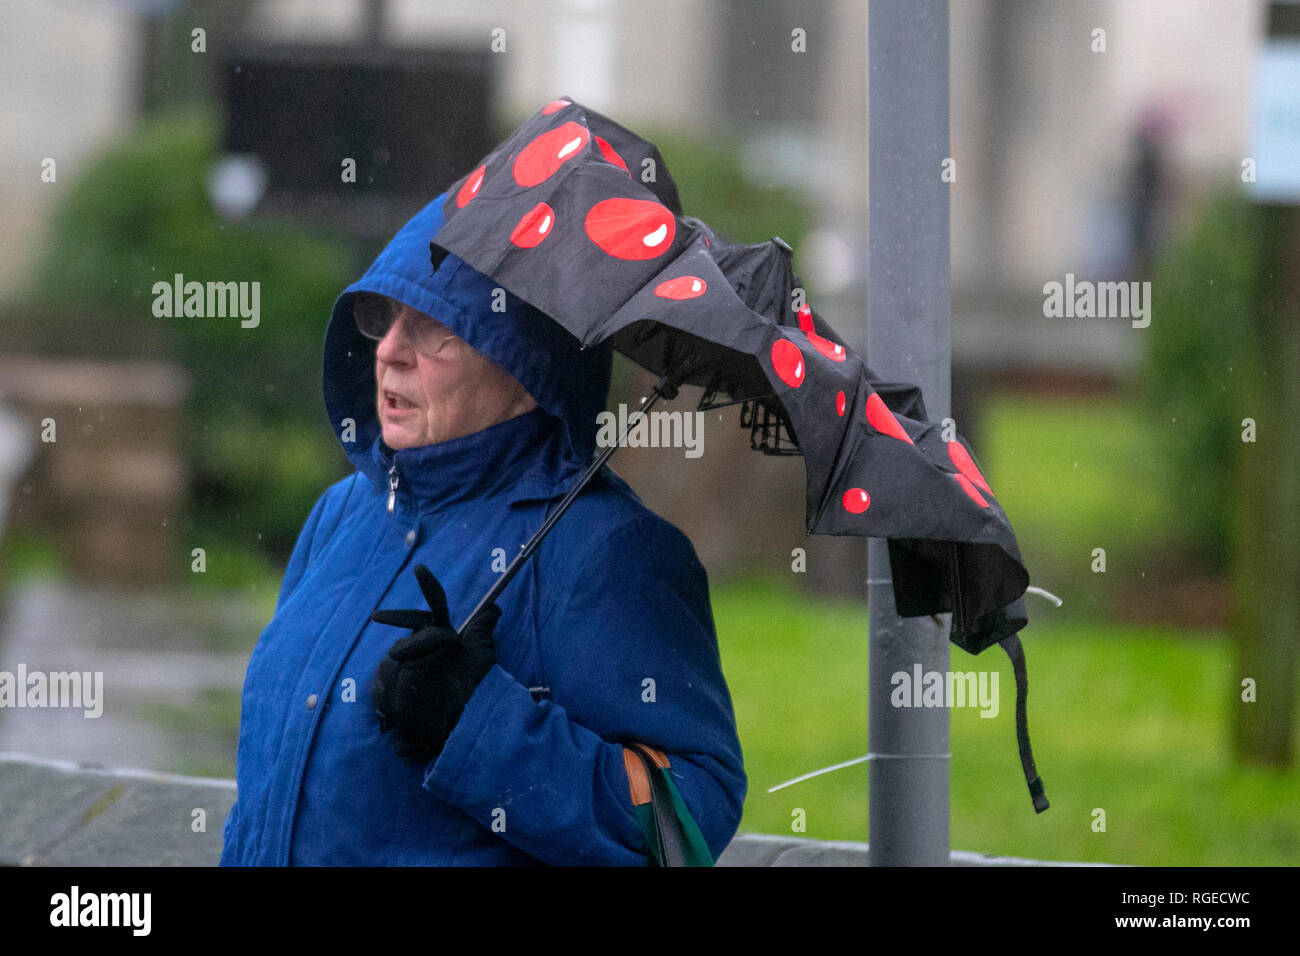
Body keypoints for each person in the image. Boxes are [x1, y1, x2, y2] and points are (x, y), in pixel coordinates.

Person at [219, 189, 747, 866]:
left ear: (529, 369)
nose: (391, 352)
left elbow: (688, 822)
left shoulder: (606, 551)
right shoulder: (342, 514)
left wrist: (481, 724)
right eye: (385, 316)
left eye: (438, 325)